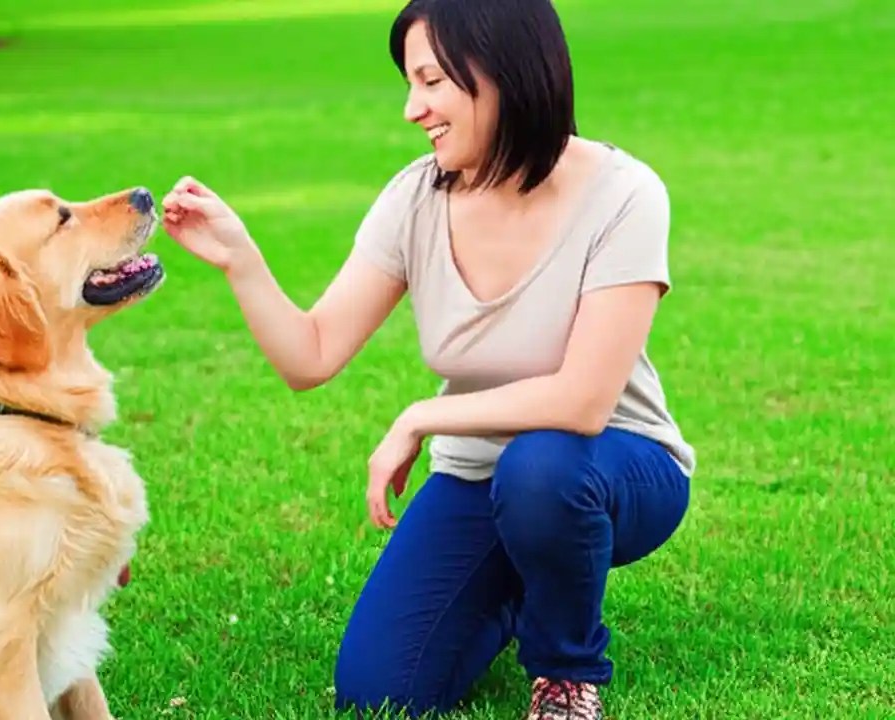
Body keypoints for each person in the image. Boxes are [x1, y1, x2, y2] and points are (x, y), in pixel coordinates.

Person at [160, 0, 695, 718]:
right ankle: (523, 588)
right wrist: (240, 260)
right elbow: (311, 355)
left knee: (541, 470)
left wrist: (423, 415)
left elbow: (582, 402)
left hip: (612, 464)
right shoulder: (416, 197)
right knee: (382, 689)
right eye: (410, 83)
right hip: (481, 474)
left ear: (504, 72)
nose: (414, 109)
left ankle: (566, 672)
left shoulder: (624, 194)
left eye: (432, 81)